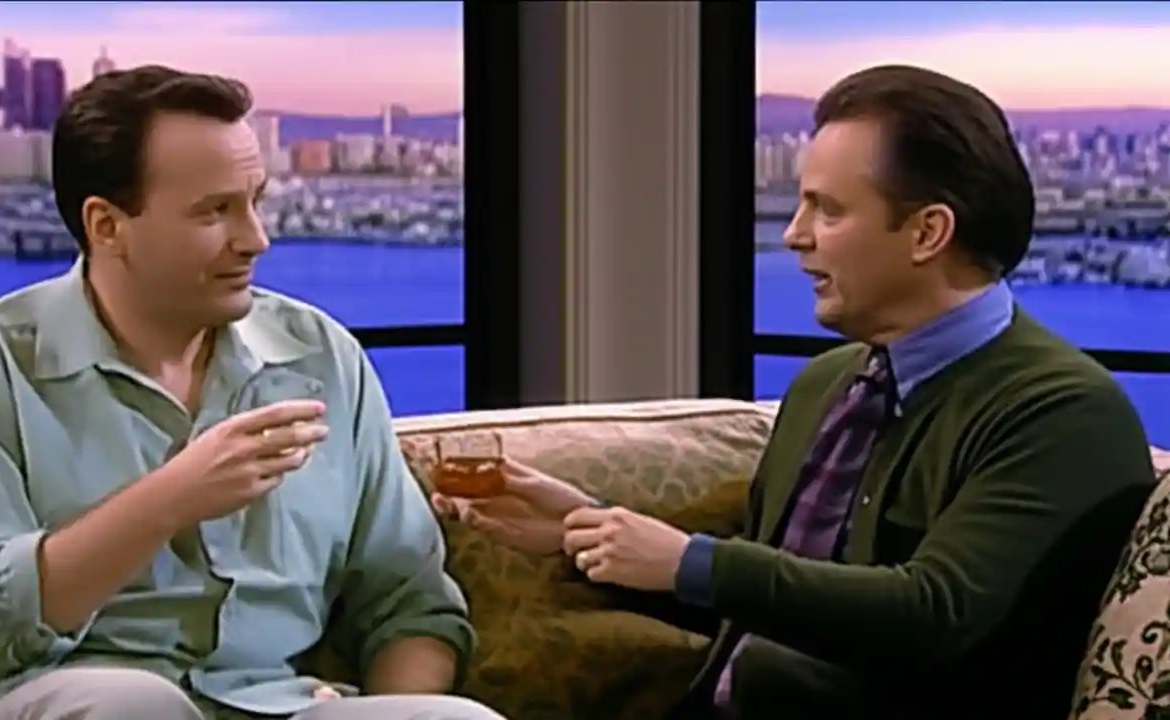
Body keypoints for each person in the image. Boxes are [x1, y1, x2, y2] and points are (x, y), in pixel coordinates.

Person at [433, 64, 1158, 718]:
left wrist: (692, 559)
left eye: (827, 210)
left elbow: (936, 615)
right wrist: (586, 530)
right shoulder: (828, 385)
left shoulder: (1061, 413)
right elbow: (762, 607)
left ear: (928, 231)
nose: (794, 236)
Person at [0, 65, 503, 720]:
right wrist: (170, 498)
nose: (256, 239)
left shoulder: (324, 359)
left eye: (256, 201)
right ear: (106, 226)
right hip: (62, 697)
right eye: (215, 211)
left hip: (276, 706)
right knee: (133, 706)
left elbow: (410, 605)